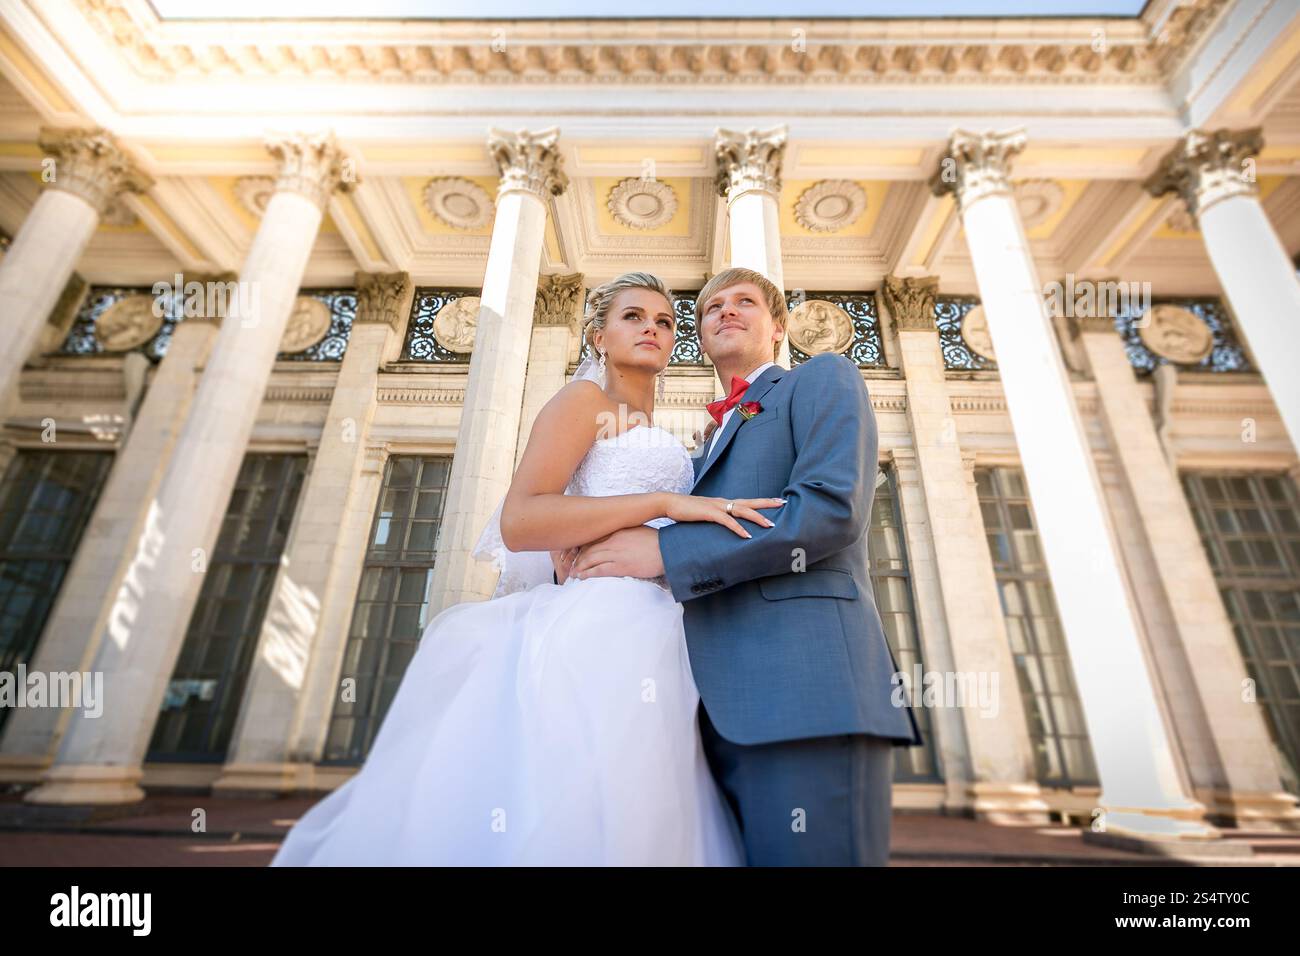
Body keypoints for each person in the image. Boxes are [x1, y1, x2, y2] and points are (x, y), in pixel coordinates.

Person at [270, 272, 780, 866]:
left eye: (665, 322)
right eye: (633, 317)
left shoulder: (661, 429)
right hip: (601, 624)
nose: (652, 329)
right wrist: (663, 504)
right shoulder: (583, 402)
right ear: (597, 337)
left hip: (663, 625)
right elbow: (522, 519)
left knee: (650, 802)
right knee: (585, 794)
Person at [568, 267, 924, 866]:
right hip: (707, 716)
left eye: (745, 303)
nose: (727, 312)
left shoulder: (822, 378)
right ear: (700, 339)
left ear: (778, 327)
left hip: (805, 697)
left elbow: (829, 512)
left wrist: (664, 552)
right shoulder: (705, 442)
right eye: (712, 309)